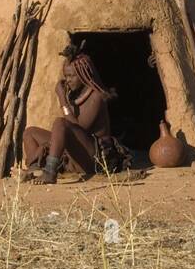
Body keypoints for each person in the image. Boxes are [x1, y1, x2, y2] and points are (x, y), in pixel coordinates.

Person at [22, 41, 129, 184]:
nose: (68, 80)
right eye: (66, 76)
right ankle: (35, 170)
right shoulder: (74, 95)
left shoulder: (97, 97)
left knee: (60, 123)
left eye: (72, 76)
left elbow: (75, 129)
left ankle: (50, 172)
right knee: (30, 132)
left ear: (84, 75)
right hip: (75, 154)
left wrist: (62, 100)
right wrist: (49, 144)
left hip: (94, 158)